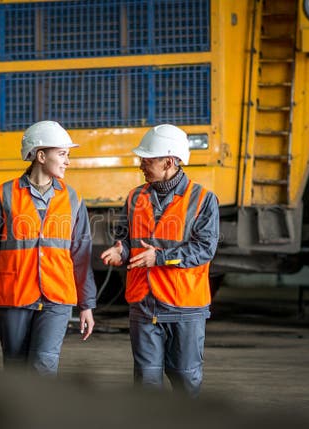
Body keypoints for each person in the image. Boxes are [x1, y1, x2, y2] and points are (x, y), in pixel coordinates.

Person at [100, 124, 219, 397]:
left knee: (185, 382)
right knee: (146, 385)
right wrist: (121, 251)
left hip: (184, 308)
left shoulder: (202, 199)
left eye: (147, 159)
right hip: (144, 305)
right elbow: (127, 240)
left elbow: (204, 250)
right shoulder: (134, 197)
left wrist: (161, 258)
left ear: (169, 161)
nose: (141, 164)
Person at [0, 120, 97, 376]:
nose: (67, 162)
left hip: (57, 298)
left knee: (43, 367)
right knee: (16, 370)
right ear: (41, 155)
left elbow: (81, 257)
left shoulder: (73, 199)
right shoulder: (3, 195)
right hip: (14, 296)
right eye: (62, 154)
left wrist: (87, 305)